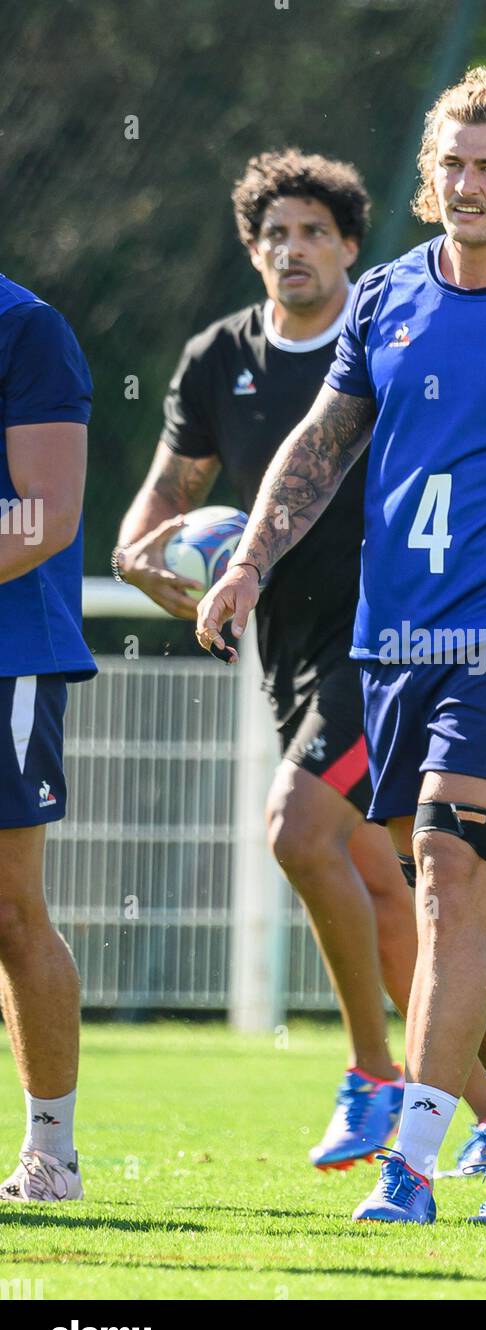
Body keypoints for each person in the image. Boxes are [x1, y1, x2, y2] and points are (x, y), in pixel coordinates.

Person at [196, 68, 486, 1226]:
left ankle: (412, 1161)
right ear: (428, 178)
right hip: (394, 640)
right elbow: (321, 442)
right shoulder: (387, 301)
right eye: (450, 164)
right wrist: (250, 560)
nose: (466, 184)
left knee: (452, 875)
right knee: (457, 893)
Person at [115, 148, 486, 1173]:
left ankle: (372, 1072)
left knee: (293, 829)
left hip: (386, 642)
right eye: (272, 235)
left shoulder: (382, 337)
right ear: (252, 251)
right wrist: (136, 553)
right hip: (285, 652)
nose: (291, 250)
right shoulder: (216, 358)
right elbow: (164, 496)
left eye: (311, 233)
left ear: (346, 246)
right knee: (385, 895)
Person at [0, 275, 96, 1201]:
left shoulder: (26, 329)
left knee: (9, 911)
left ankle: (51, 1155)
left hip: (9, 654)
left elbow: (45, 513)